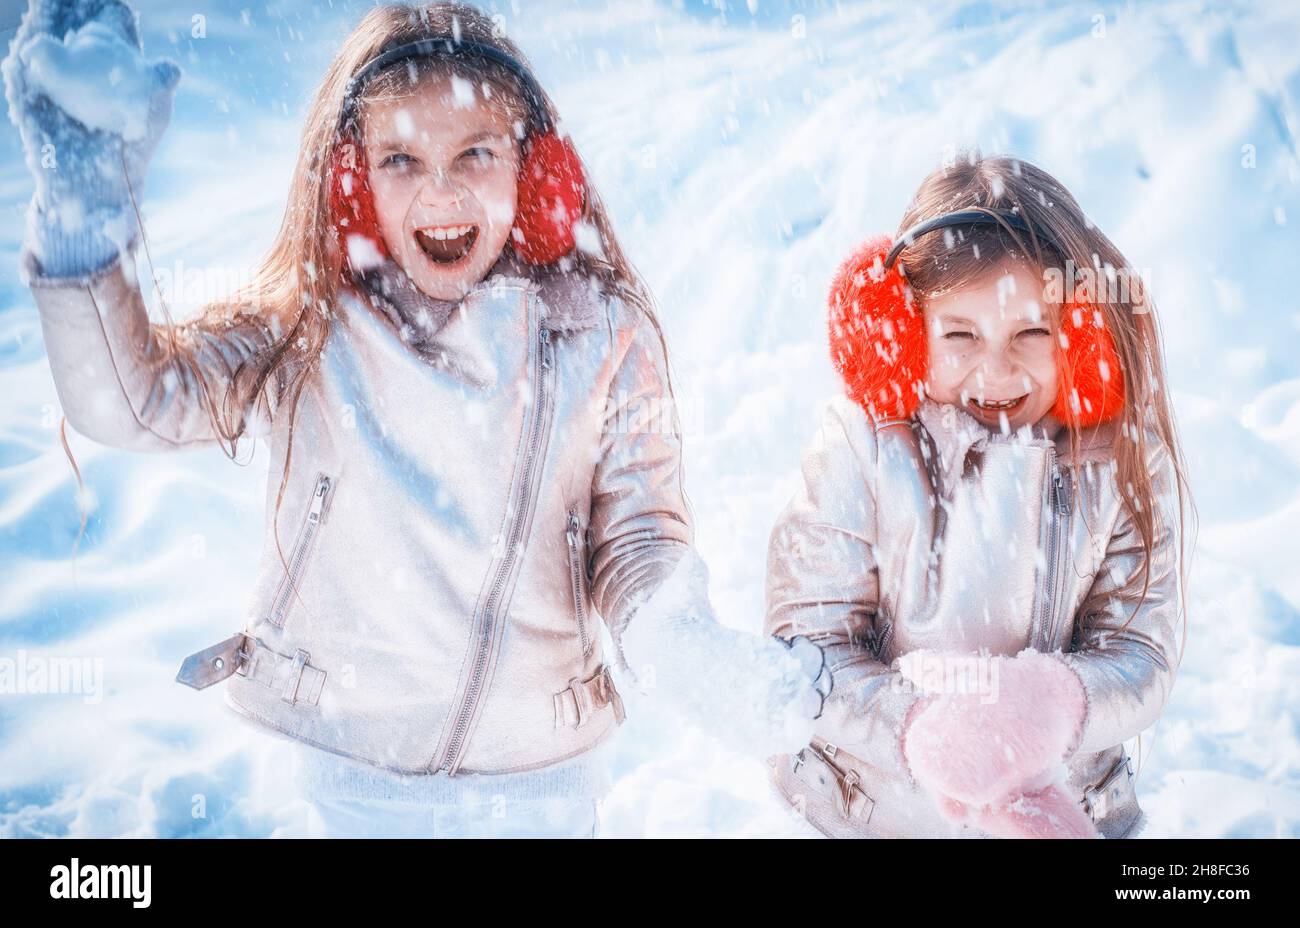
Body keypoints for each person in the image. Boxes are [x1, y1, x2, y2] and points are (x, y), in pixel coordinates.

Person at [5, 0, 825, 838]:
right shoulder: (309, 324)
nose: (441, 189)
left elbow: (641, 538)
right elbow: (132, 401)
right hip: (335, 776)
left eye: (476, 152)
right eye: (400, 158)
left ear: (536, 171)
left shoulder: (603, 334)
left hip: (536, 786)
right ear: (352, 182)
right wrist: (81, 219)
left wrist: (684, 648)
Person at [765, 153, 1194, 838]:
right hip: (873, 818)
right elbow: (805, 652)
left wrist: (1052, 706)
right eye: (960, 334)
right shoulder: (862, 449)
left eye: (1032, 332)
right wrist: (921, 730)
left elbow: (1139, 654)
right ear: (904, 334)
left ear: (1083, 338)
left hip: (1063, 813)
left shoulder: (1122, 460)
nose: (995, 369)